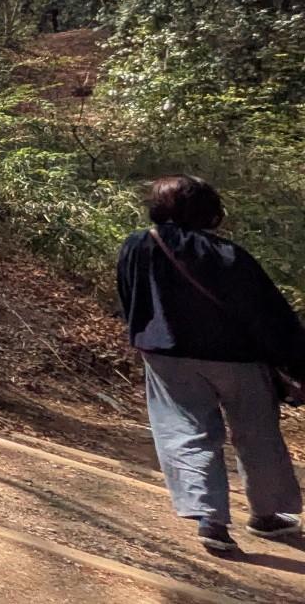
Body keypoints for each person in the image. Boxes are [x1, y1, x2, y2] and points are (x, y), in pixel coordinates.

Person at [117, 174, 305, 553]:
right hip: (239, 360)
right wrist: (295, 364)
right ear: (210, 211)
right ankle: (267, 515)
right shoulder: (229, 256)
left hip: (168, 358)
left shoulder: (139, 245)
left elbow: (128, 296)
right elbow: (269, 316)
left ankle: (211, 520)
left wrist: (142, 337)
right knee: (258, 434)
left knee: (186, 432)